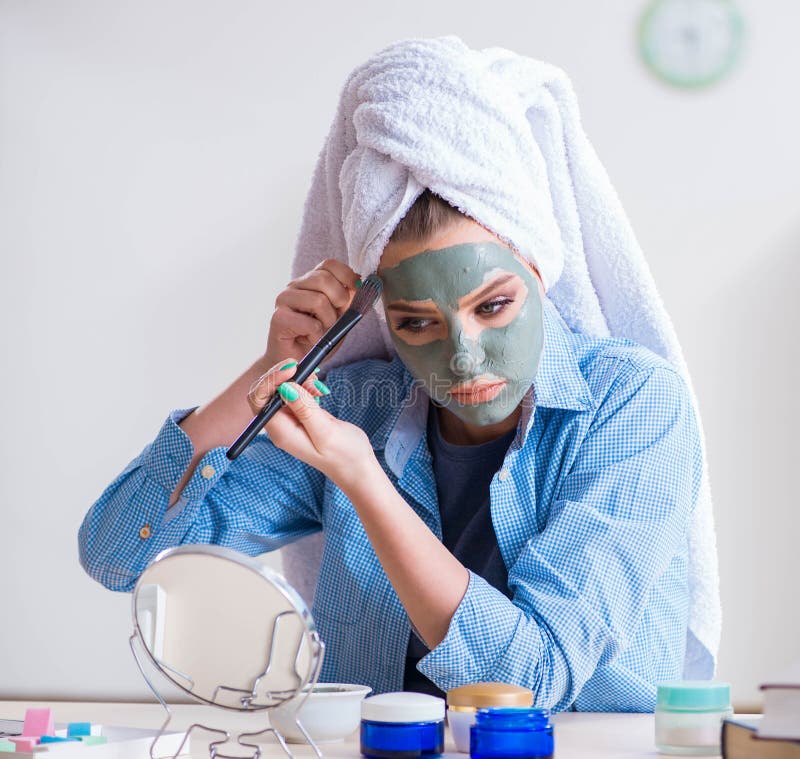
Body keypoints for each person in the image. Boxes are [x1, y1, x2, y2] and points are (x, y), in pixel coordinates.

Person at [79, 37, 718, 711]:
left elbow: (531, 683)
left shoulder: (632, 404)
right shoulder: (356, 411)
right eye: (417, 323)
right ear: (382, 316)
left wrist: (364, 480)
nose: (465, 357)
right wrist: (268, 370)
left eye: (494, 305)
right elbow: (119, 555)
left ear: (537, 265)